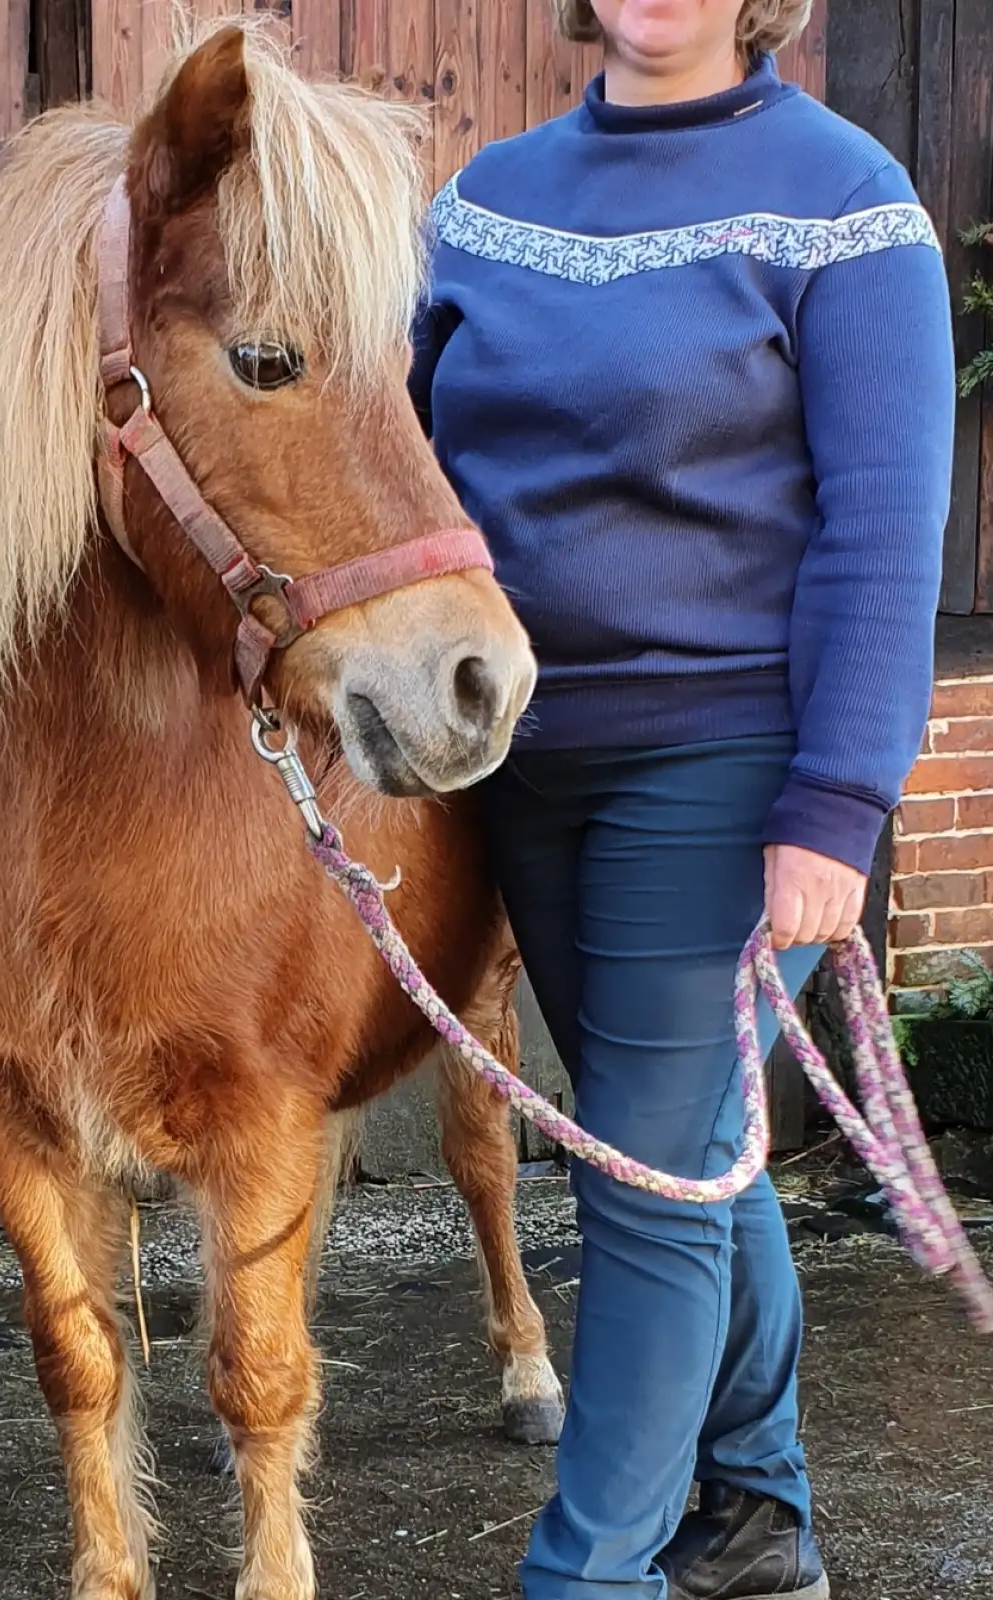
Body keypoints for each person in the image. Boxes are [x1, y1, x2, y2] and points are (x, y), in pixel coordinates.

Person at [408, 0, 956, 1595]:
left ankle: (592, 1573)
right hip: (513, 762)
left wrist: (836, 807)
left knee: (641, 1173)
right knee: (678, 1139)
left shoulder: (848, 202)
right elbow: (402, 457)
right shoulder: (485, 202)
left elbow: (879, 535)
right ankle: (760, 1513)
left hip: (722, 774)